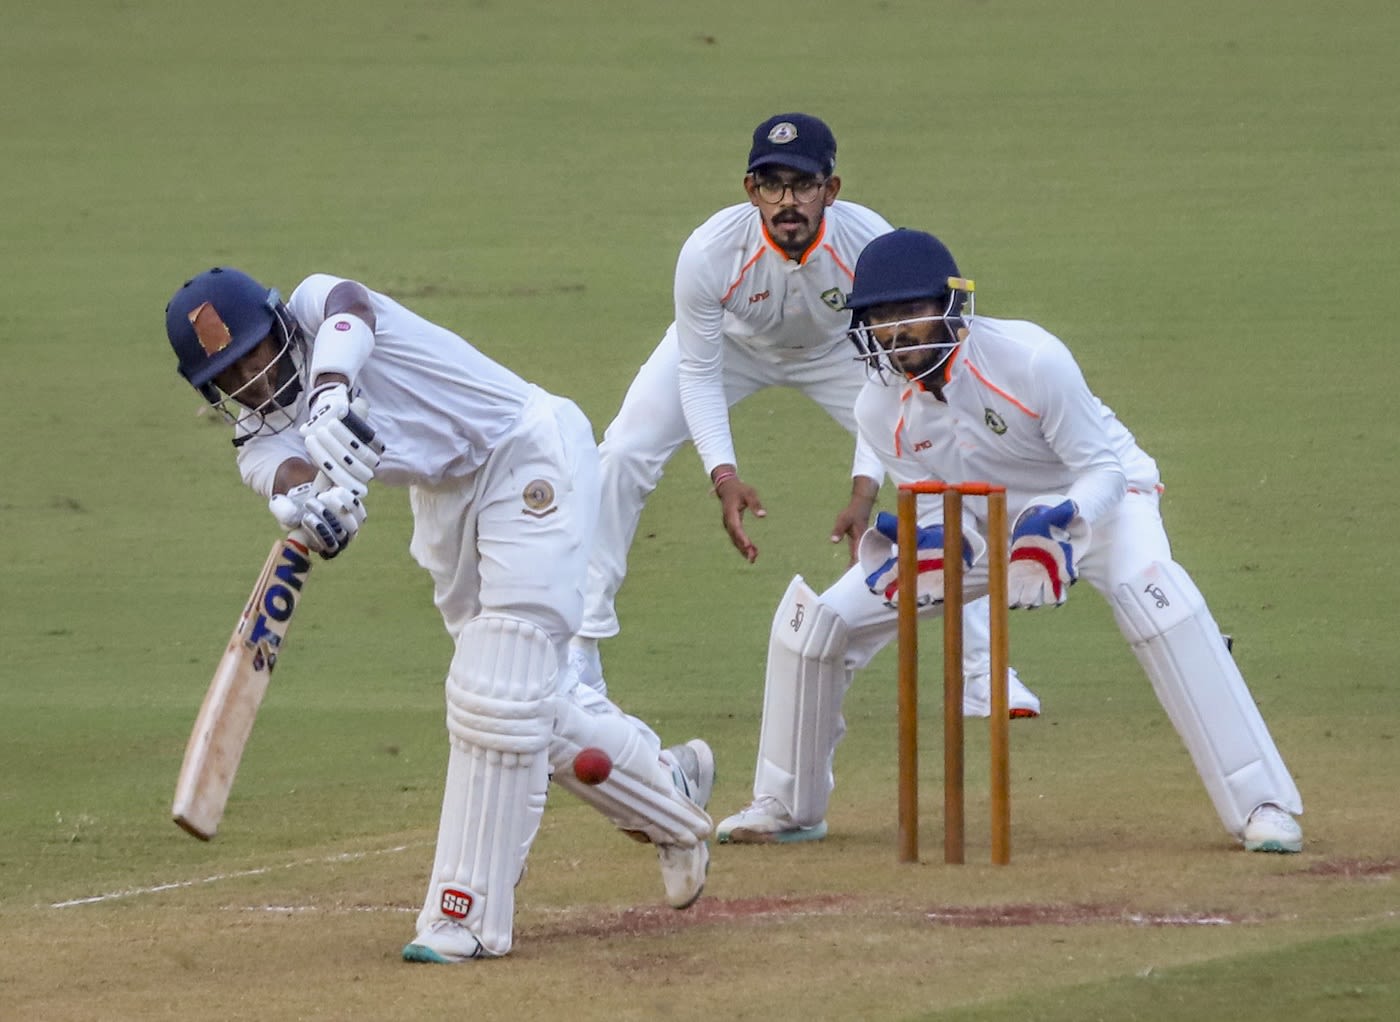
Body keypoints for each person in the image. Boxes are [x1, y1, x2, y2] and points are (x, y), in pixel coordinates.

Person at [163, 267, 716, 962]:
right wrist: (321, 511)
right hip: (443, 500)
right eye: (228, 373)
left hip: (525, 449)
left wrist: (332, 390)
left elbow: (349, 306)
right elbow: (286, 479)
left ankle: (466, 917)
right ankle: (669, 797)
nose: (251, 377)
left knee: (498, 686)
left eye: (254, 352)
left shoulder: (315, 306)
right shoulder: (258, 444)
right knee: (512, 705)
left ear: (279, 326)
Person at [716, 229, 1303, 852]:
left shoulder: (1031, 358)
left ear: (950, 305)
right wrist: (932, 548)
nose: (895, 330)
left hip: (1100, 502)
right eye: (880, 316)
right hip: (983, 521)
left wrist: (1056, 524)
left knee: (1160, 603)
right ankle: (787, 804)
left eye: (909, 310)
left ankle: (1262, 803)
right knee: (817, 624)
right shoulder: (877, 407)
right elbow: (939, 504)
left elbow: (1102, 469)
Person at [570, 112, 1039, 722]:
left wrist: (865, 487)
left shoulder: (870, 245)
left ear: (831, 189)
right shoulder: (711, 253)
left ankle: (984, 672)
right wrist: (723, 474)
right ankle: (579, 654)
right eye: (772, 185)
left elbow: (891, 370)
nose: (787, 201)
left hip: (843, 353)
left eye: (804, 184)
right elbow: (698, 371)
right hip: (732, 347)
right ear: (750, 190)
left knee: (937, 473)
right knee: (623, 453)